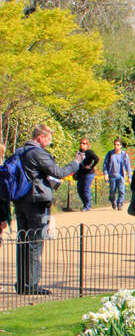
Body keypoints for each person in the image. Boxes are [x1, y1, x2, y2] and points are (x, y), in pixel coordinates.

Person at [13, 125, 84, 294]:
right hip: (37, 203)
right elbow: (58, 172)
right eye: (48, 139)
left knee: (23, 242)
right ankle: (32, 285)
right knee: (35, 243)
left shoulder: (20, 152)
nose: (49, 142)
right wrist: (76, 162)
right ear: (40, 137)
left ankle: (23, 283)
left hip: (21, 201)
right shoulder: (37, 153)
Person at [104, 139, 131, 211]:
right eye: (115, 144)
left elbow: (128, 166)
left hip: (121, 175)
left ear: (121, 146)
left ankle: (120, 204)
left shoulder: (124, 154)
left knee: (121, 190)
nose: (116, 146)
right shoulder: (110, 154)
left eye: (118, 145)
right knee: (112, 191)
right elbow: (105, 164)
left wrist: (129, 176)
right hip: (112, 175)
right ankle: (113, 202)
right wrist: (105, 174)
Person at [74, 138, 99, 210]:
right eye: (81, 143)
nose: (82, 144)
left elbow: (97, 159)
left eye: (84, 143)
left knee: (86, 189)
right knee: (79, 190)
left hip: (88, 174)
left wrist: (91, 166)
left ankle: (87, 205)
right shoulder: (78, 153)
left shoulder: (89, 152)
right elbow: (76, 163)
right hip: (80, 173)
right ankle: (86, 204)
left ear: (87, 145)